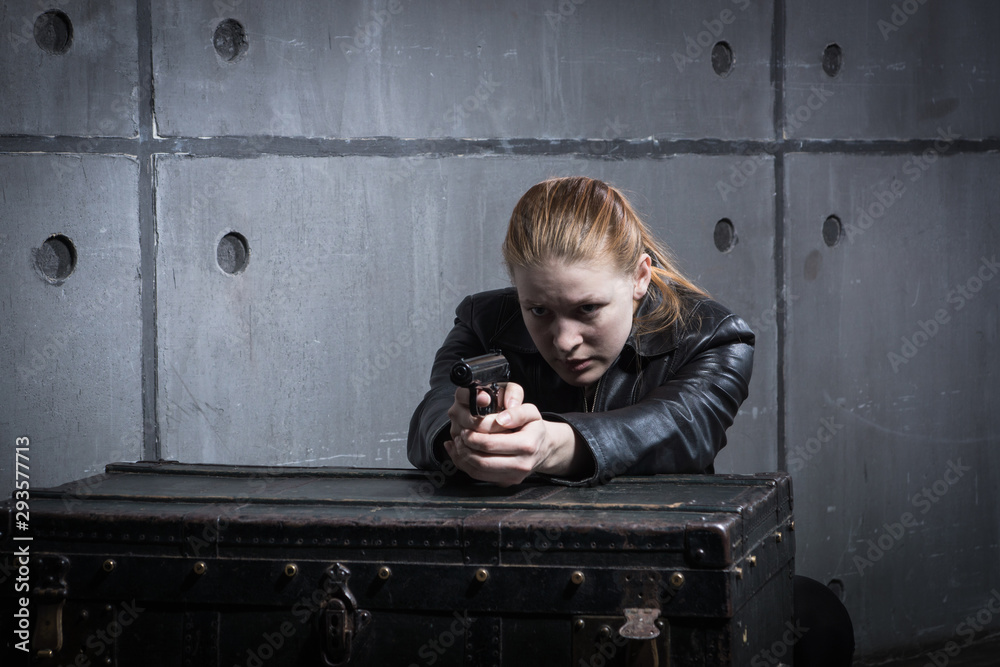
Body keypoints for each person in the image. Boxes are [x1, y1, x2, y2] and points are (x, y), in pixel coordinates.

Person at [407, 176, 854, 665]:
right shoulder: (483, 321)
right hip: (507, 567)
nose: (563, 340)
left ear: (640, 278)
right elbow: (430, 413)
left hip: (653, 572)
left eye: (588, 309)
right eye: (538, 310)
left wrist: (550, 445)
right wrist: (463, 432)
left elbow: (679, 427)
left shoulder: (713, 337)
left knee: (816, 618)